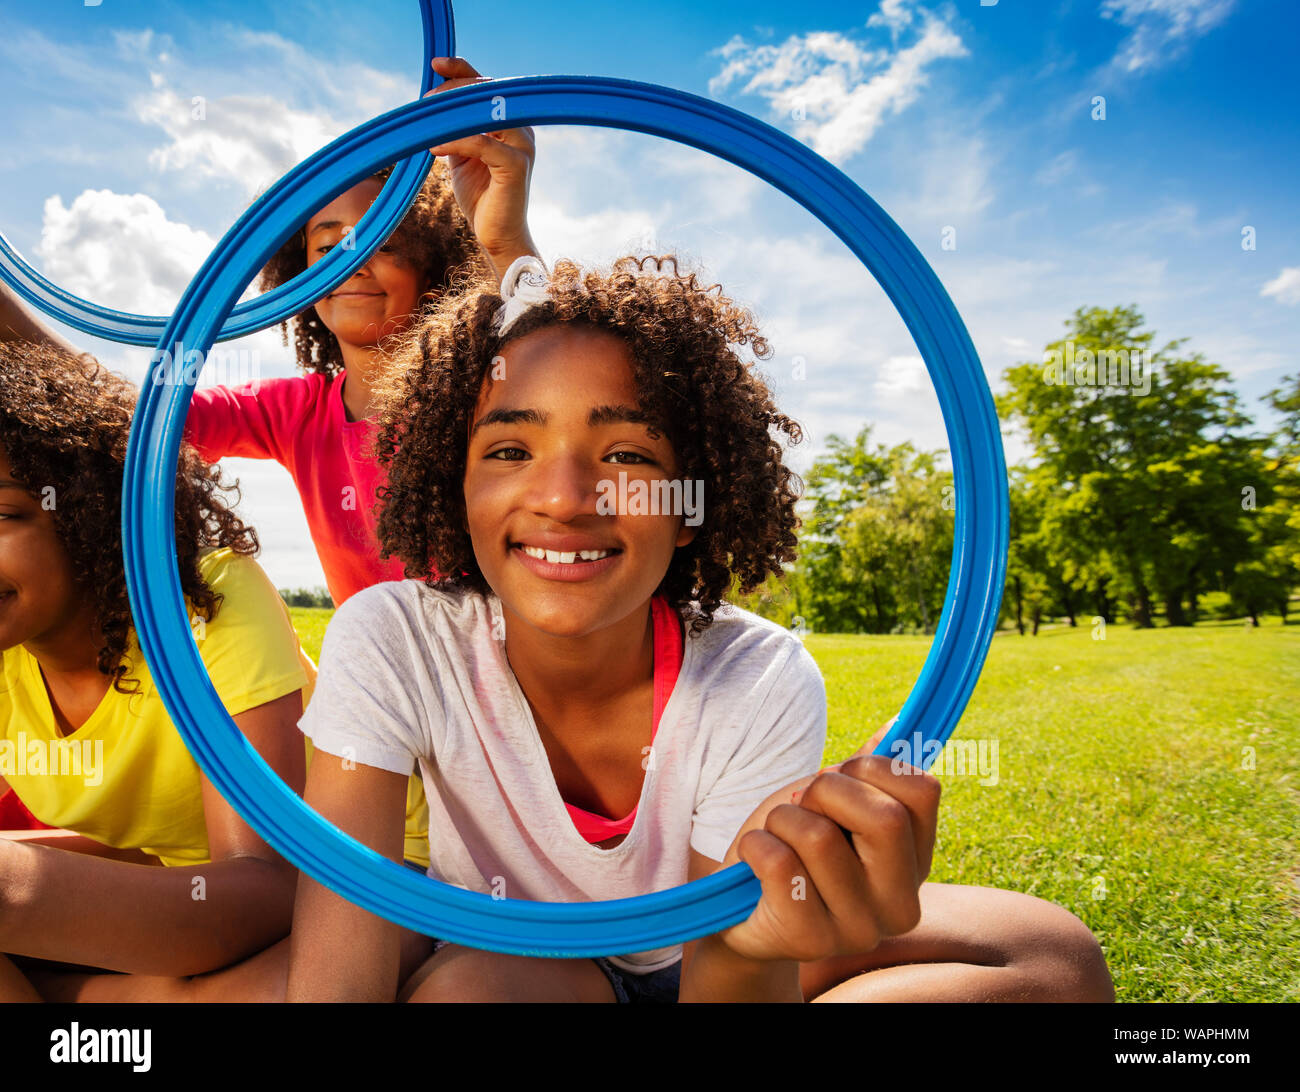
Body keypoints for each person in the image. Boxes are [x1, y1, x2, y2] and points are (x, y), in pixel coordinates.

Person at [286, 254, 1115, 1002]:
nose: (567, 497)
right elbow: (335, 980)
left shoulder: (757, 674)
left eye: (629, 456)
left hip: (697, 960)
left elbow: (730, 964)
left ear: (690, 506)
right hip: (519, 960)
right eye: (509, 451)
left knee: (1051, 960)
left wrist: (760, 952)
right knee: (468, 998)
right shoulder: (392, 639)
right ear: (452, 483)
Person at [0, 342, 309, 1002]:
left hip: (364, 886)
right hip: (186, 897)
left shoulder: (202, 599)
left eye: (4, 516)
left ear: (90, 512)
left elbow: (270, 885)